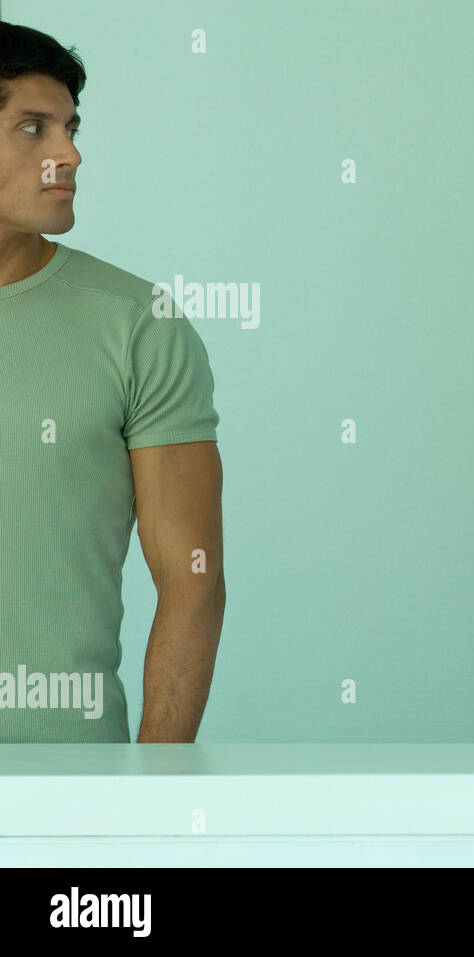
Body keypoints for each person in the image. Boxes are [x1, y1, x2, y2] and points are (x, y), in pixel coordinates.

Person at [0, 21, 224, 742]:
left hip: (70, 793)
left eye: (69, 127)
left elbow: (191, 580)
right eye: (33, 128)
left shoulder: (138, 324)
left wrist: (151, 797)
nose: (69, 154)